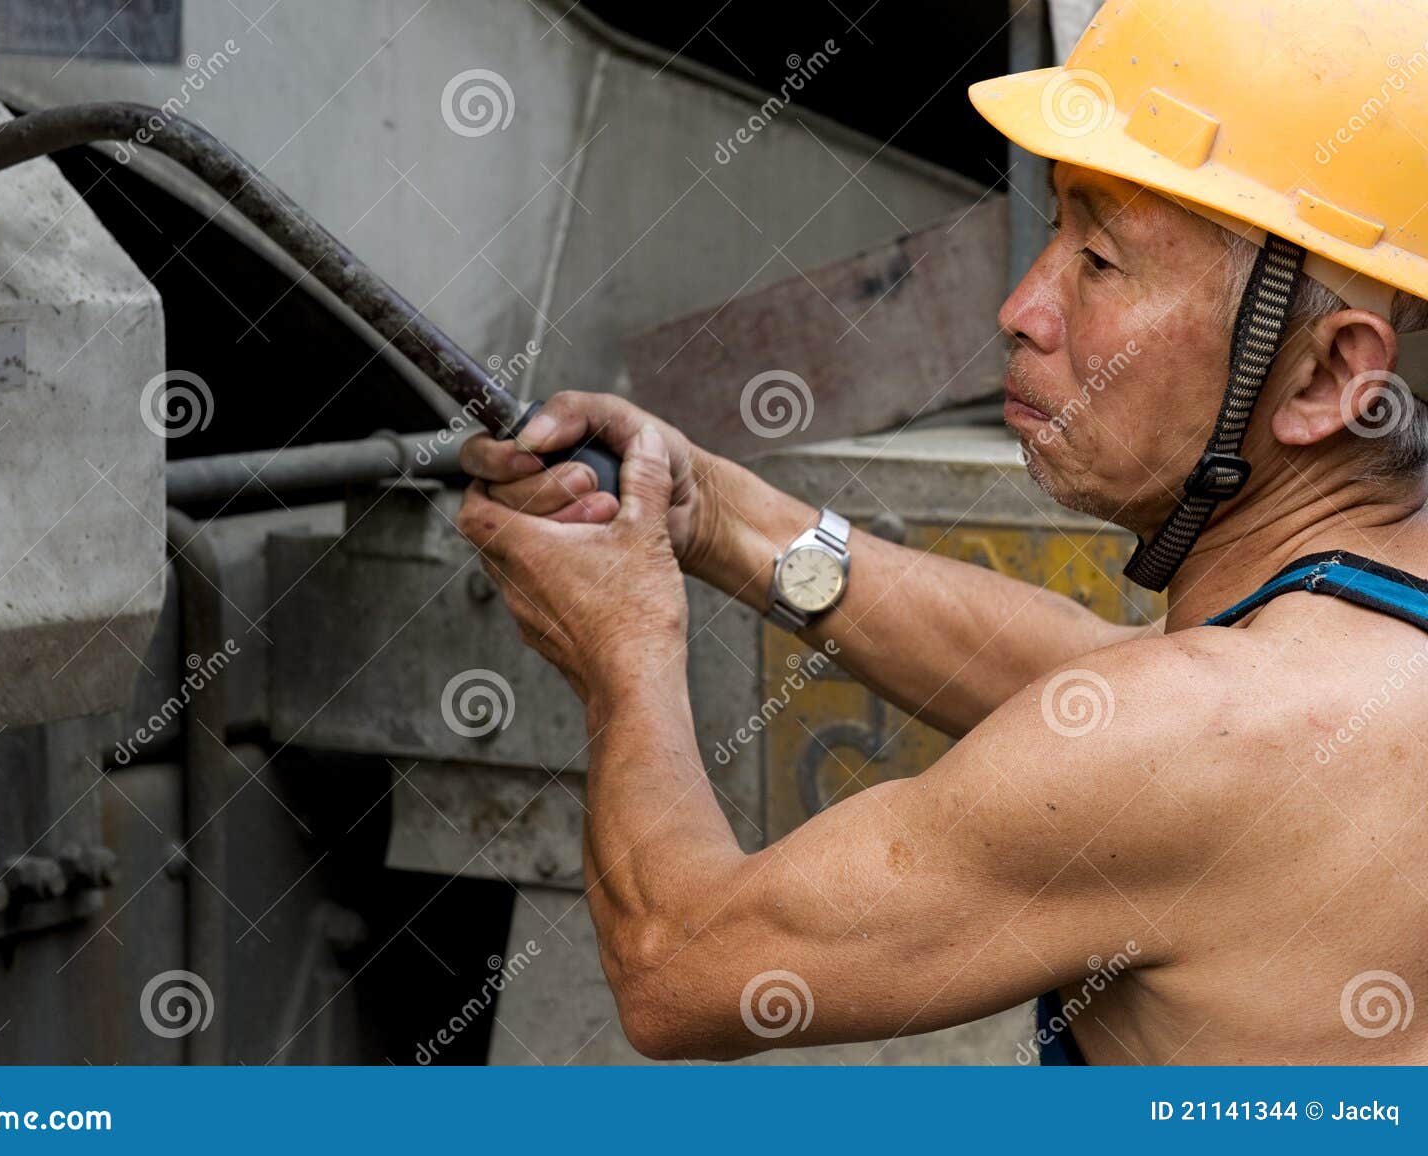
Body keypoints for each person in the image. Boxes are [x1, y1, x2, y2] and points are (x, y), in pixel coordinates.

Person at [455, 0, 1428, 1063]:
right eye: (1054, 227)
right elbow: (1089, 672)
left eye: (1100, 262)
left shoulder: (1191, 743)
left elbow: (680, 964)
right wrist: (718, 515)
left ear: (1331, 372)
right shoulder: (1338, 658)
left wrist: (622, 653)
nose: (1021, 307)